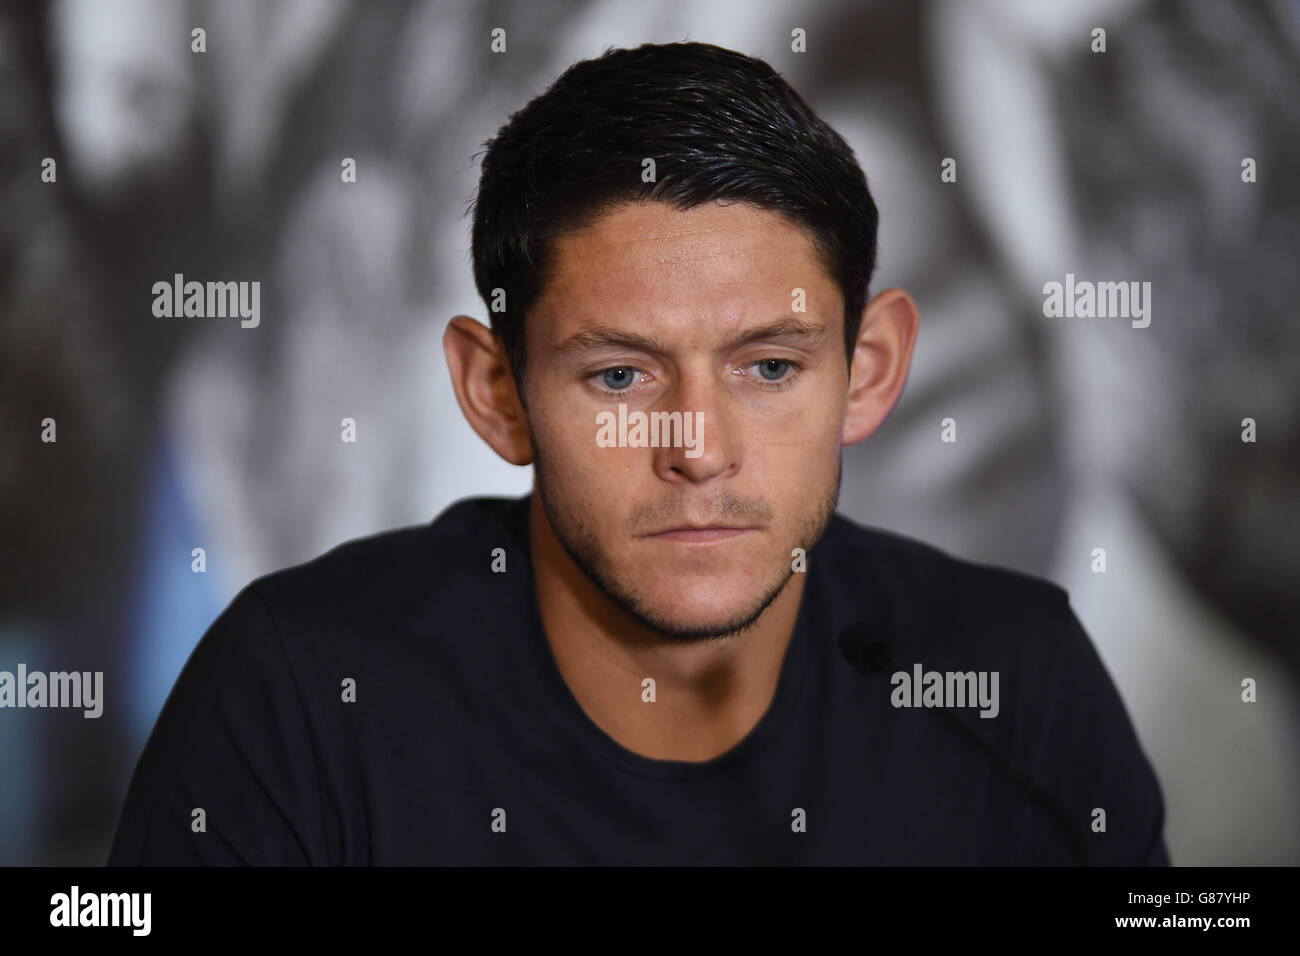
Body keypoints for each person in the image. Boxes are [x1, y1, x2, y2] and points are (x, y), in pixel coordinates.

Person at [108, 41, 1168, 865]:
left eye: (769, 367)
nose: (698, 450)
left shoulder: (1017, 677)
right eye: (620, 376)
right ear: (497, 394)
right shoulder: (297, 695)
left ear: (869, 371)